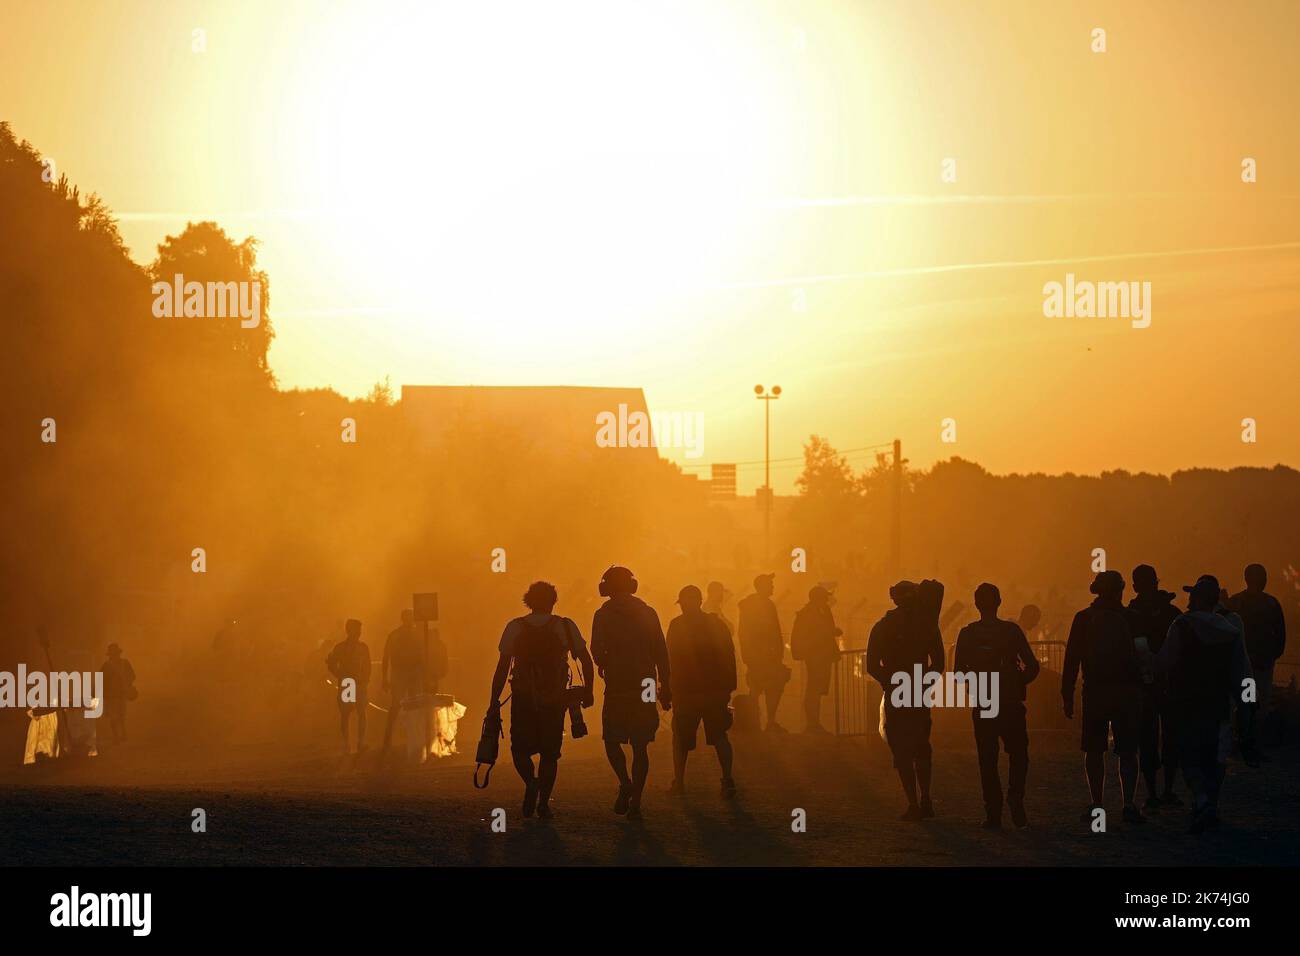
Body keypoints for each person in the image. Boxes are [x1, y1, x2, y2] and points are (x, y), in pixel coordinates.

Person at [488, 581, 594, 820]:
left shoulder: (514, 627)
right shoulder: (565, 626)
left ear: (528, 601)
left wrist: (494, 700)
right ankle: (544, 803)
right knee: (550, 753)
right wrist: (589, 691)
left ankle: (530, 782)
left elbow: (502, 668)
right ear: (553, 601)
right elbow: (586, 661)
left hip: (523, 699)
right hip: (554, 700)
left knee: (519, 750)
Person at [1158, 575, 1253, 833]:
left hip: (1185, 701)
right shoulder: (1230, 631)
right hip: (1218, 703)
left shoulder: (1181, 625)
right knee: (1216, 758)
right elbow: (1242, 673)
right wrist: (1246, 710)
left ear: (1197, 599)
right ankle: (1211, 802)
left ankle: (1200, 799)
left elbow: (1166, 660)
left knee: (1189, 756)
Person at [1062, 570, 1145, 826]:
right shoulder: (1132, 618)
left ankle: (1097, 804)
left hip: (1095, 690)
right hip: (1126, 692)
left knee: (1094, 750)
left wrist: (1067, 693)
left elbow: (1071, 659)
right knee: (1128, 751)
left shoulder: (1084, 618)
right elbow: (1143, 656)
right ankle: (1128, 804)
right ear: (1120, 590)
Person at [954, 583, 1040, 829]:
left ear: (976, 604)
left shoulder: (968, 634)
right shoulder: (1011, 631)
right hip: (1011, 702)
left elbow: (959, 673)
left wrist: (980, 683)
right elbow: (1032, 666)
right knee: (1019, 755)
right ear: (999, 602)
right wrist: (1016, 681)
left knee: (987, 760)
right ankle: (1016, 797)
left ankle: (993, 812)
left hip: (984, 703)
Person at [591, 566, 671, 820]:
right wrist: (666, 687)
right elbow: (661, 652)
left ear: (606, 588)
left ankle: (625, 782)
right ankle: (636, 799)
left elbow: (596, 651)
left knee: (612, 740)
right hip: (646, 685)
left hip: (617, 686)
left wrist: (606, 663)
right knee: (640, 745)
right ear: (632, 585)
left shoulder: (602, 615)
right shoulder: (648, 613)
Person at [866, 580, 945, 821]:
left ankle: (913, 802)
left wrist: (889, 683)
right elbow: (939, 664)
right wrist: (923, 683)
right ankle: (926, 799)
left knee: (901, 750)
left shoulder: (882, 626)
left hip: (896, 693)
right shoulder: (927, 625)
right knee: (922, 747)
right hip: (917, 694)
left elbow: (872, 666)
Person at [665, 585, 737, 796]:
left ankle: (679, 782)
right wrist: (728, 687)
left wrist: (667, 690)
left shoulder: (677, 626)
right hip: (714, 691)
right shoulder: (716, 624)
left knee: (680, 739)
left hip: (686, 692)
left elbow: (669, 659)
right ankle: (728, 780)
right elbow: (729, 657)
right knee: (720, 736)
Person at [1126, 564, 1183, 808]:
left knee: (1147, 739)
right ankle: (1167, 789)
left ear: (1135, 586)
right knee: (1170, 737)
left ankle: (1151, 793)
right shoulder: (1172, 613)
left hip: (1144, 685)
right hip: (1170, 683)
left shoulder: (1130, 615)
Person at [1228, 564, 1286, 760]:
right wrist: (1271, 656)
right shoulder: (1271, 604)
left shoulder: (1236, 602)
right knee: (1254, 705)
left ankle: (1243, 741)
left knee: (1246, 703)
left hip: (1247, 664)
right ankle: (1249, 743)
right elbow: (1280, 637)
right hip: (1259, 665)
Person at [737, 573, 789, 732]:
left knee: (773, 688)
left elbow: (774, 631)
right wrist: (749, 654)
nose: (772, 587)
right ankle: (755, 722)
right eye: (770, 584)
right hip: (758, 656)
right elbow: (745, 632)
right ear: (761, 586)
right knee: (758, 688)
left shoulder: (768, 604)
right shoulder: (751, 606)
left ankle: (769, 722)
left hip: (770, 656)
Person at [790, 585, 842, 734]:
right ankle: (812, 724)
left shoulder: (823, 611)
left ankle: (814, 723)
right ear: (817, 598)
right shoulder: (808, 613)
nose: (827, 599)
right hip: (814, 655)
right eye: (825, 596)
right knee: (814, 689)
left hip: (823, 655)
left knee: (817, 689)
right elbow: (810, 634)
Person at [326, 619, 371, 755]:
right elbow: (331, 664)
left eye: (359, 630)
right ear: (348, 630)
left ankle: (360, 742)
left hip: (359, 682)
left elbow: (367, 666)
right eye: (356, 630)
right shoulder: (340, 648)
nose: (358, 633)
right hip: (347, 683)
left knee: (361, 712)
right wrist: (340, 675)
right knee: (346, 714)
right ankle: (347, 743)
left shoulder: (363, 647)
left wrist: (365, 680)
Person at [101, 643, 136, 745]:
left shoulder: (108, 666)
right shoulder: (111, 665)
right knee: (118, 716)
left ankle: (119, 735)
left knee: (117, 716)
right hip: (115, 695)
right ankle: (119, 735)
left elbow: (132, 676)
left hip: (116, 695)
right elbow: (132, 676)